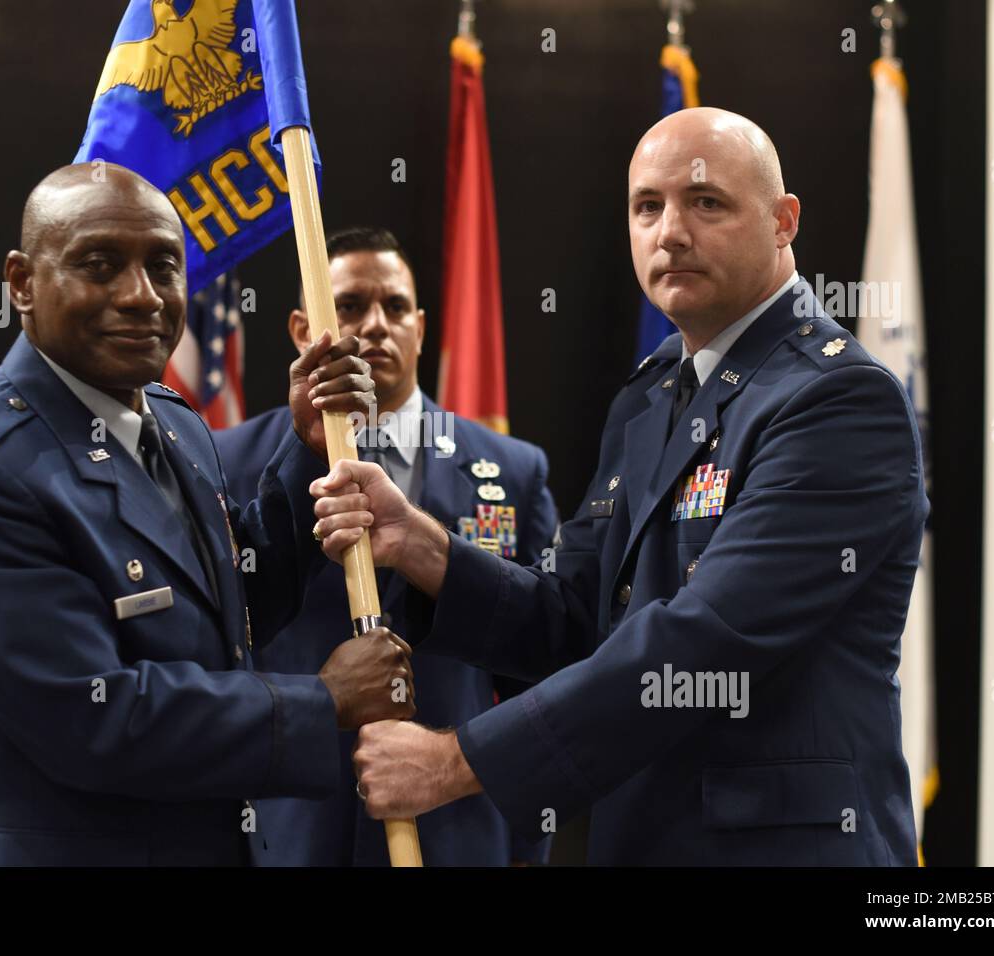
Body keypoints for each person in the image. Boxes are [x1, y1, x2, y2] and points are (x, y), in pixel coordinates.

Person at [311, 108, 928, 866]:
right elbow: (575, 617)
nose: (670, 232)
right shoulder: (653, 392)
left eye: (705, 203)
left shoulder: (836, 399)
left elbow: (705, 643)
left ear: (782, 220)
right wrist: (423, 544)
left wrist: (457, 762)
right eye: (647, 206)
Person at [0, 164, 415, 866]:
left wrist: (306, 448)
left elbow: (231, 610)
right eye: (101, 264)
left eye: (164, 266)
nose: (142, 296)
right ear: (20, 284)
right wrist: (322, 702)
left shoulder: (171, 420)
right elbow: (95, 720)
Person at [214, 227, 558, 866]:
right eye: (348, 306)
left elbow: (535, 675)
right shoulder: (229, 463)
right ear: (300, 329)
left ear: (422, 328)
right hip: (289, 832)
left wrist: (528, 840)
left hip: (457, 828)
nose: (375, 326)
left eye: (395, 308)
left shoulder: (512, 469)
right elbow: (222, 651)